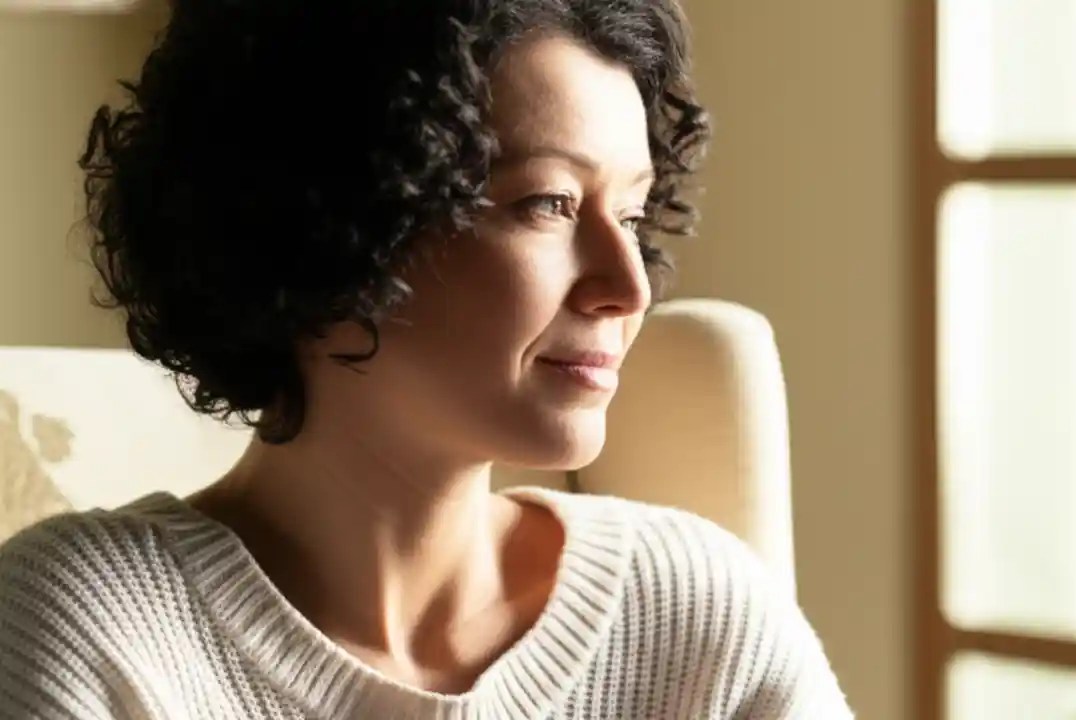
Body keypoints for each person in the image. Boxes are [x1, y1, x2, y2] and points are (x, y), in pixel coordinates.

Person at [0, 1, 853, 718]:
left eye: (631, 216)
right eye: (548, 204)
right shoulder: (85, 633)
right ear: (330, 220)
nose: (626, 287)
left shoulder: (696, 614)